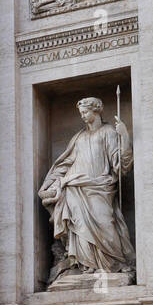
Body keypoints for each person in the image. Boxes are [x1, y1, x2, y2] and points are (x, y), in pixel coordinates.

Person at [38, 96, 134, 281]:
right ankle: (85, 266)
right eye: (80, 113)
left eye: (85, 112)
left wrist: (125, 136)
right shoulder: (79, 137)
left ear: (96, 110)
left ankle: (110, 265)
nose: (82, 116)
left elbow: (121, 164)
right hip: (75, 188)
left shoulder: (108, 132)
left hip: (101, 187)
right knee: (79, 227)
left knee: (106, 224)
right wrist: (50, 185)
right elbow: (64, 164)